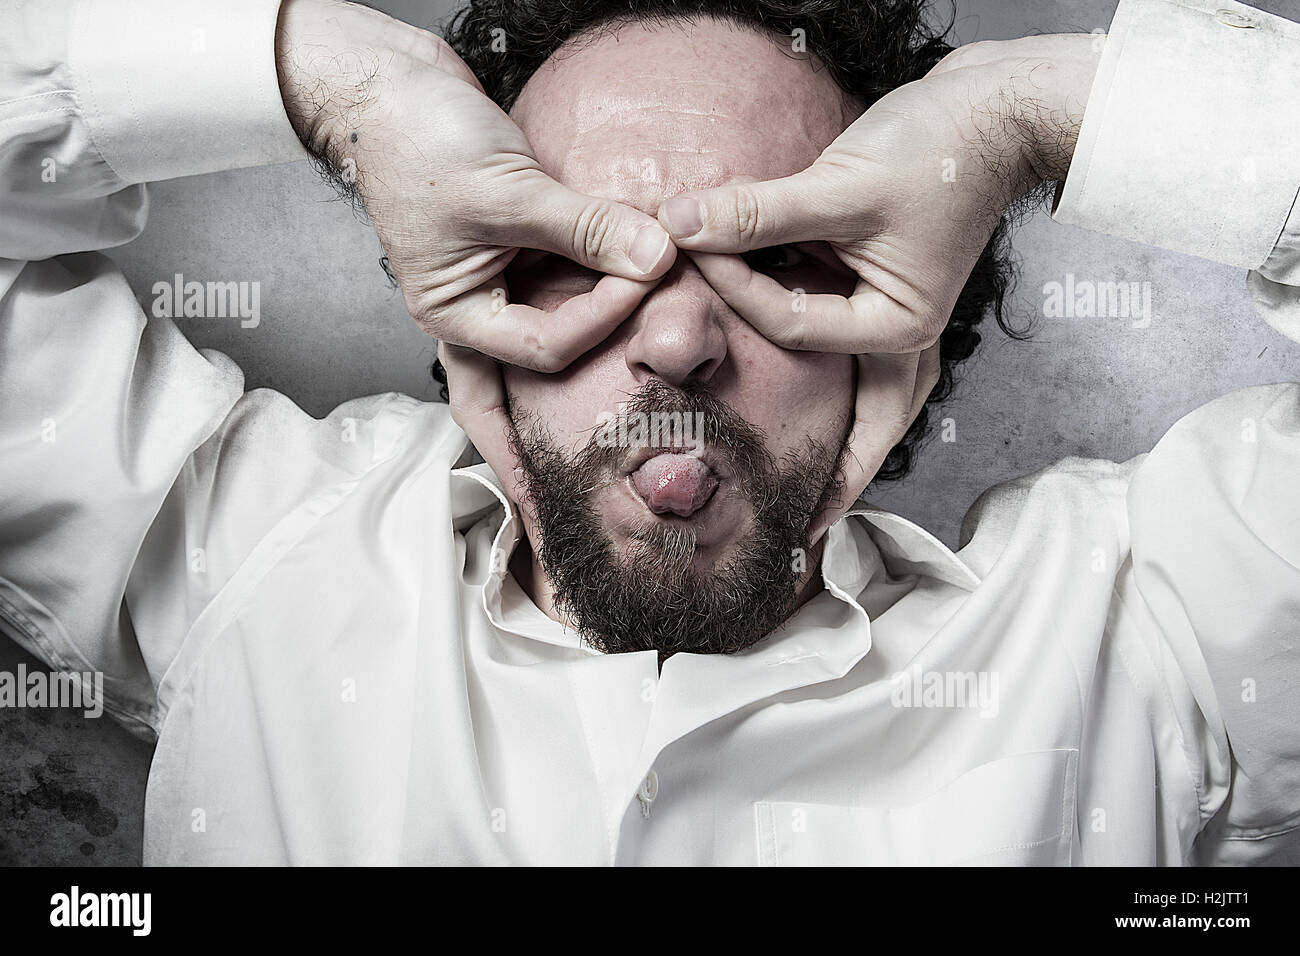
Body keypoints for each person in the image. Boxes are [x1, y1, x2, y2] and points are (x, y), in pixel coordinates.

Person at [0, 0, 1296, 865]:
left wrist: (1029, 112)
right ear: (468, 287)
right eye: (572, 252)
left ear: (910, 316)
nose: (677, 344)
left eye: (781, 255)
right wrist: (337, 78)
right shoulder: (244, 546)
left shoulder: (1146, 630)